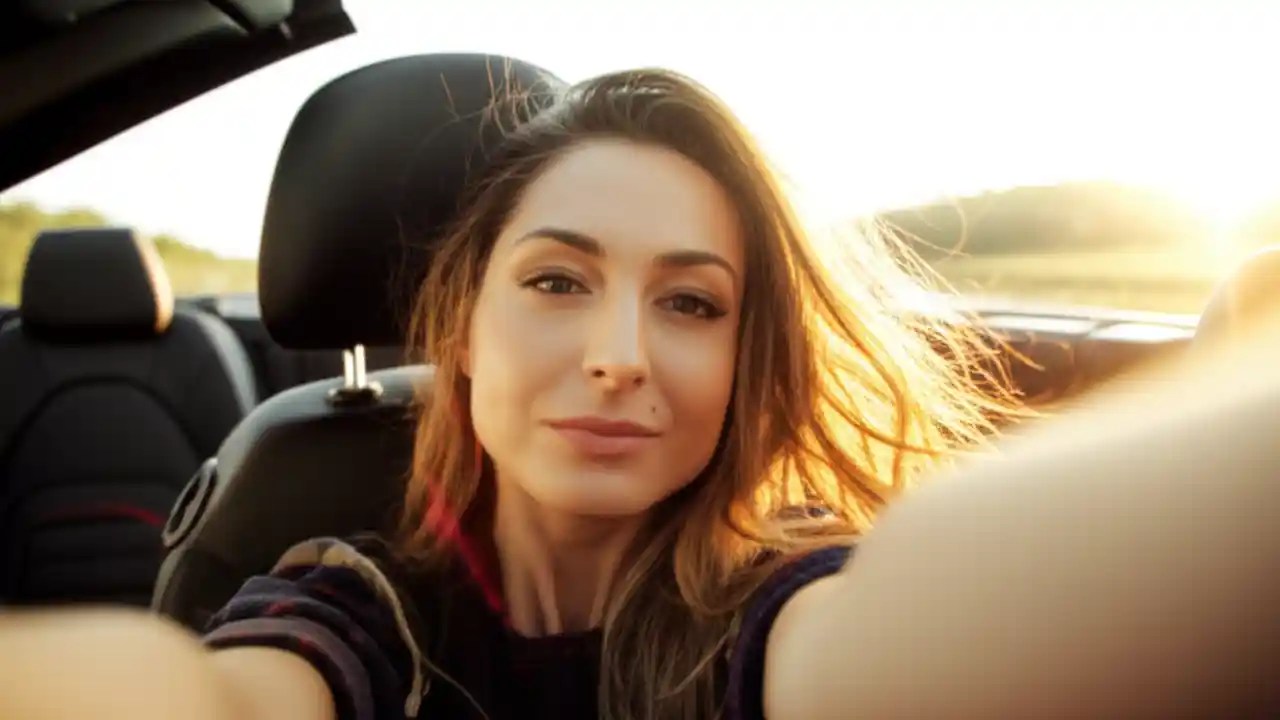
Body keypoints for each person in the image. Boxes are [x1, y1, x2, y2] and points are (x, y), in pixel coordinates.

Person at [7, 68, 1278, 720]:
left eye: (690, 303)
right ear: (459, 328)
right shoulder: (346, 602)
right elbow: (210, 697)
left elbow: (907, 654)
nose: (621, 353)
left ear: (743, 361)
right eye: (558, 281)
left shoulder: (775, 616)